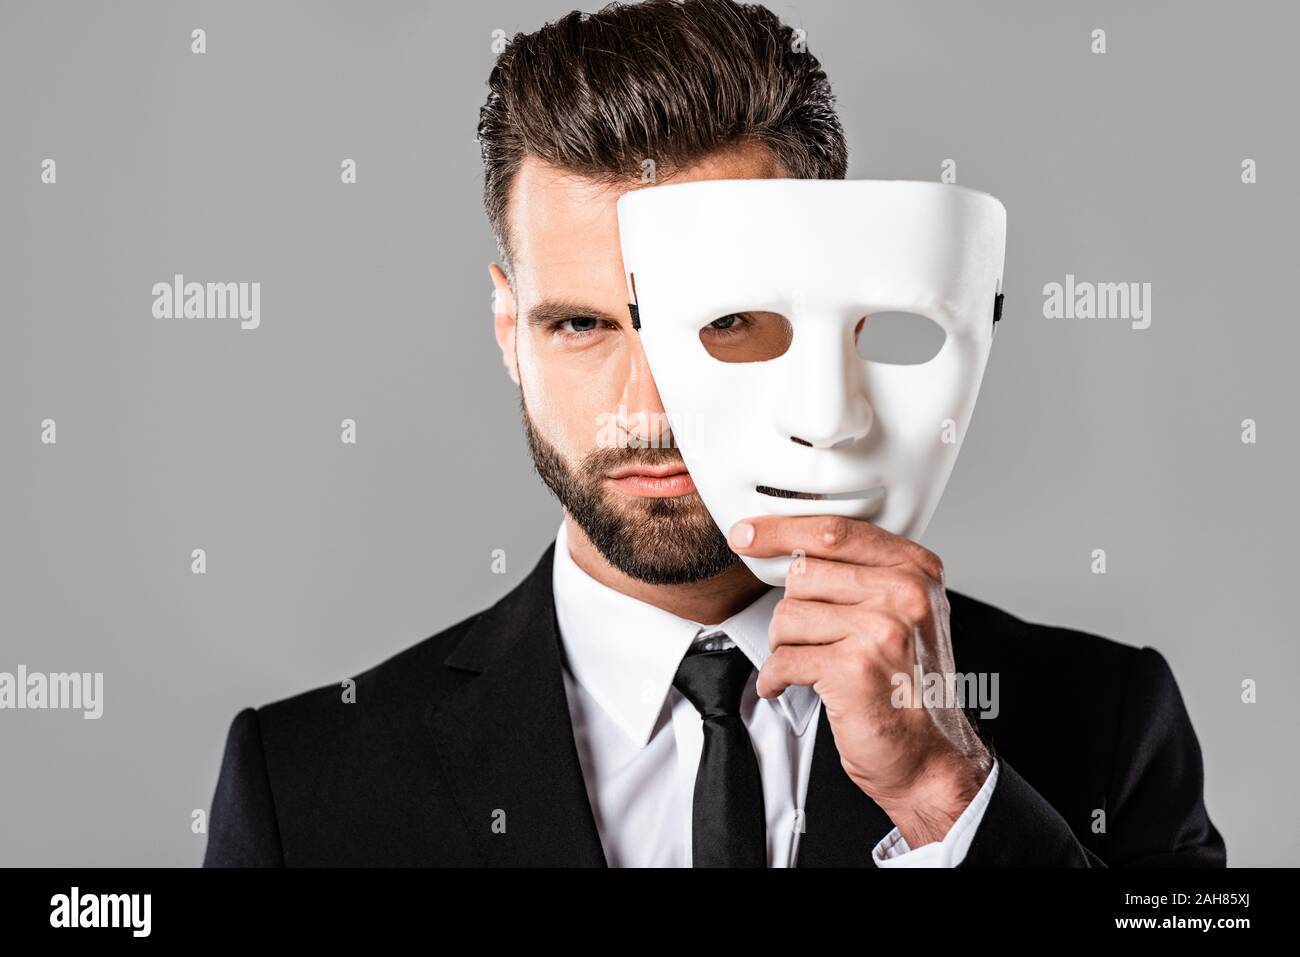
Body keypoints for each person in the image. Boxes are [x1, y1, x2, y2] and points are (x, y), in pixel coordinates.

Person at [203, 0, 1225, 867]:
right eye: (580, 325)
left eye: (722, 323)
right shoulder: (308, 790)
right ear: (512, 332)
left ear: (853, 306)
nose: (645, 406)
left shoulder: (1102, 722)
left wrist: (946, 797)